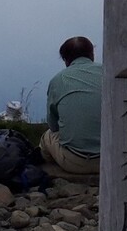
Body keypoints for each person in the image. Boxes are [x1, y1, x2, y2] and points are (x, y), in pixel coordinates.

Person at [41, 36, 101, 175]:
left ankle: (49, 169)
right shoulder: (109, 73)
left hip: (73, 162)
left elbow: (53, 126)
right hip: (111, 158)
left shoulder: (57, 80)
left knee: (47, 136)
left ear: (65, 60)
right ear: (92, 54)